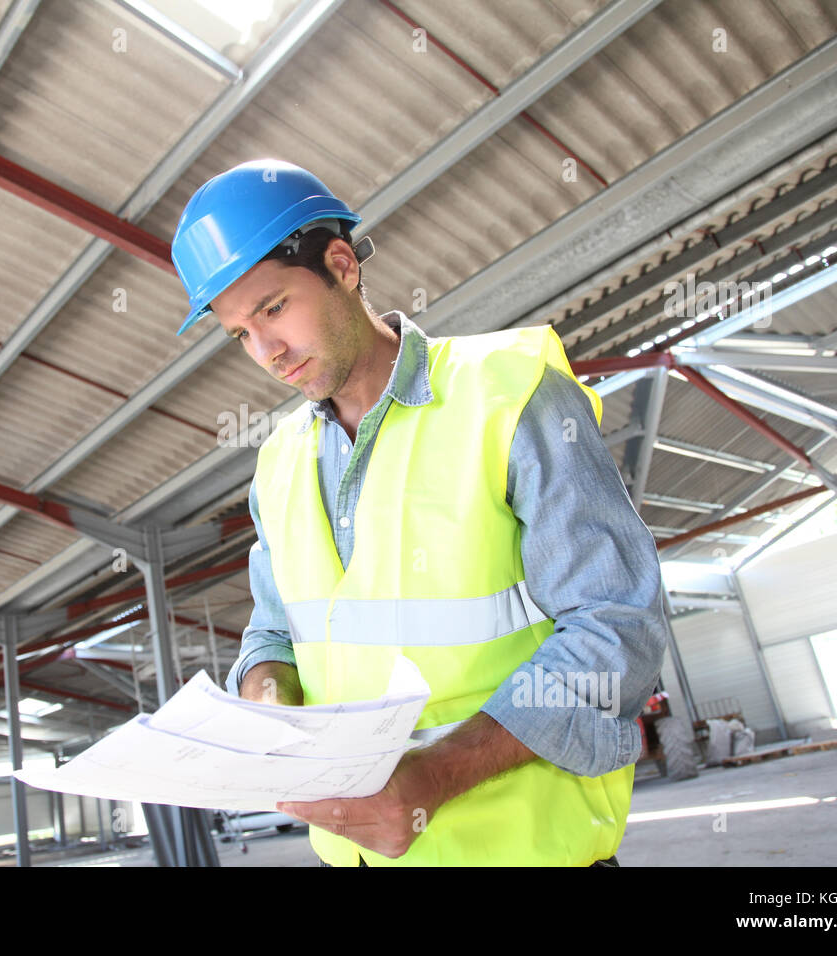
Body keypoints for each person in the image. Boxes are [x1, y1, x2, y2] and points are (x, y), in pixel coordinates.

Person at [170, 159, 669, 866]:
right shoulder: (277, 465)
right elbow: (274, 632)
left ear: (341, 264)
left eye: (274, 309)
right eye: (238, 334)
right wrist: (268, 696)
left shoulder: (510, 395)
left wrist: (436, 772)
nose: (266, 352)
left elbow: (618, 627)